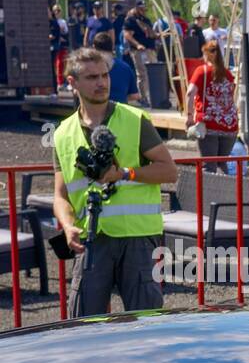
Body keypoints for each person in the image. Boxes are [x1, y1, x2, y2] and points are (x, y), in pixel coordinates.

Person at [51, 47, 178, 317]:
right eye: (92, 77)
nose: (101, 83)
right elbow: (60, 196)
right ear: (72, 83)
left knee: (147, 325)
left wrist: (125, 174)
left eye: (104, 75)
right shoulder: (62, 133)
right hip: (91, 240)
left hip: (138, 239)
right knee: (84, 326)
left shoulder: (135, 119)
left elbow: (169, 171)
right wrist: (68, 226)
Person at [187, 39, 239, 171]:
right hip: (230, 125)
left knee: (208, 165)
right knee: (222, 163)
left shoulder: (201, 71)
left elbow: (190, 93)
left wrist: (189, 116)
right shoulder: (227, 73)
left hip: (209, 123)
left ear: (206, 54)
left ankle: (206, 191)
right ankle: (226, 190)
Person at [92, 31, 142, 104]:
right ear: (112, 47)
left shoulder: (89, 67)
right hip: (120, 110)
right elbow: (135, 96)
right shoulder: (125, 67)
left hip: (96, 111)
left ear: (94, 47)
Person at [49, 2, 69, 87]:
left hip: (61, 45)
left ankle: (61, 82)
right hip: (54, 45)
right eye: (55, 10)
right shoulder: (52, 21)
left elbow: (66, 32)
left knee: (61, 63)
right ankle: (58, 82)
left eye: (58, 10)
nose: (56, 12)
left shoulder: (63, 21)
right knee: (55, 64)